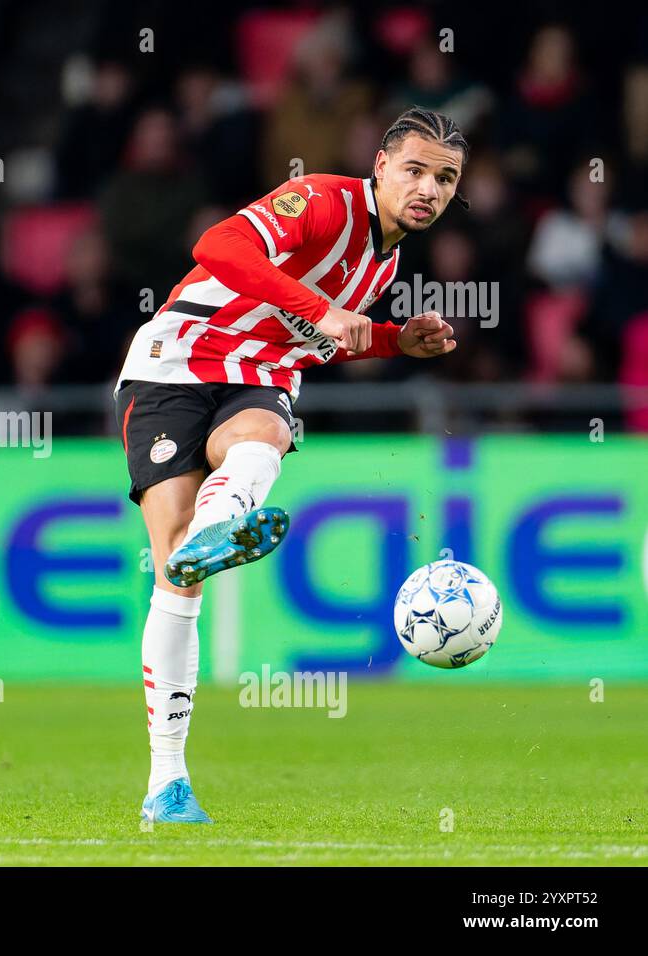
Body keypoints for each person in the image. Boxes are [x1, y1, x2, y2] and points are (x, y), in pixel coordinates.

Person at [115, 107, 465, 824]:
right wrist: (330, 313)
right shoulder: (324, 201)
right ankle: (166, 782)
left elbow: (311, 339)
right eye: (416, 169)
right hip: (174, 362)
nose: (429, 187)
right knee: (175, 572)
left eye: (446, 178)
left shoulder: (387, 259)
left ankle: (222, 520)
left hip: (259, 372)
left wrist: (398, 343)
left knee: (264, 430)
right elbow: (218, 245)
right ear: (380, 166)